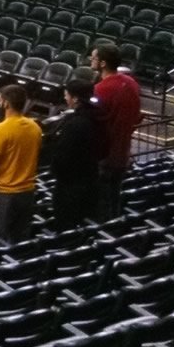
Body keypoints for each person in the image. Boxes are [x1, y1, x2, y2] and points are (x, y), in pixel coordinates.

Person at [0, 84, 41, 251]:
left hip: (3, 193)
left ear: (6, 103)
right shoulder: (35, 127)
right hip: (27, 192)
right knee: (19, 240)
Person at [49, 70, 104, 227]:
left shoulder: (75, 123)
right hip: (90, 179)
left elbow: (63, 156)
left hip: (71, 186)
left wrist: (56, 171)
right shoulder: (97, 117)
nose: (65, 98)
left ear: (75, 99)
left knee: (67, 225)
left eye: (67, 95)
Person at [90, 43, 139, 216]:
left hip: (105, 153)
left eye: (94, 58)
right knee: (114, 196)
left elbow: (94, 122)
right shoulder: (131, 83)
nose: (91, 60)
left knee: (101, 201)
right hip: (123, 150)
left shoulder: (101, 89)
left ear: (103, 63)